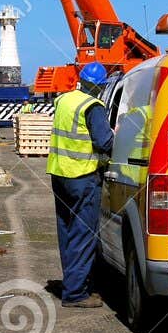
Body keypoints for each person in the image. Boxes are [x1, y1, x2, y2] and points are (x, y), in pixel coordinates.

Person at [47, 62, 114, 308]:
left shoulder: (64, 100)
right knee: (83, 233)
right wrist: (117, 133)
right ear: (100, 87)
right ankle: (76, 293)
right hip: (82, 176)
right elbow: (105, 142)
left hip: (59, 173)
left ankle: (71, 283)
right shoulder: (93, 106)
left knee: (67, 232)